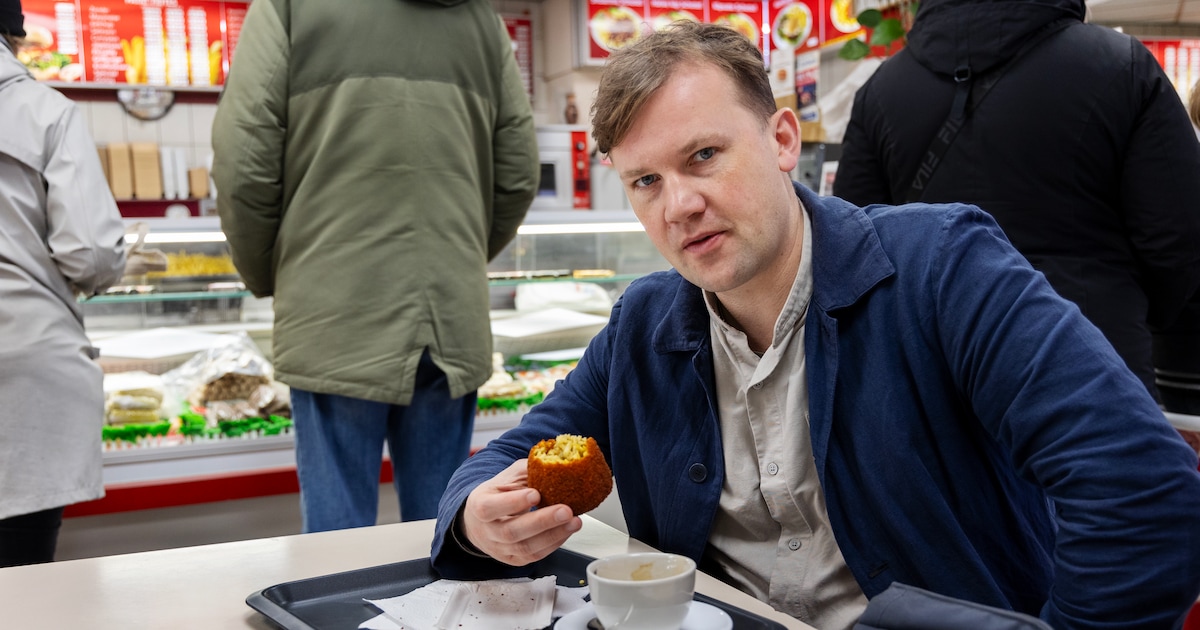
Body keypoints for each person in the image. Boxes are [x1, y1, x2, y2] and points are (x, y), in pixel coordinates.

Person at [430, 21, 1200, 630]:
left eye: (704, 156)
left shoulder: (940, 268)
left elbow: (1145, 489)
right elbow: (503, 457)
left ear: (783, 142)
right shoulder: (644, 324)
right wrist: (476, 519)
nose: (679, 205)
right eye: (646, 181)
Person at [211, 0, 538, 532]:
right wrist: (454, 258)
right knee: (447, 532)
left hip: (330, 310)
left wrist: (272, 271)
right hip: (449, 319)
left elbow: (243, 159)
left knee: (337, 545)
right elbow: (519, 172)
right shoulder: (481, 20)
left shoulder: (290, 7)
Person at [833, 0, 1200, 406]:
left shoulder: (881, 92)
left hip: (936, 380)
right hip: (1094, 367)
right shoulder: (1123, 66)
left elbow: (852, 251)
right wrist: (1127, 311)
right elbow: (1181, 237)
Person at [1, 0, 128, 566]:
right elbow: (91, 255)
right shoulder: (41, 110)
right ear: (14, 36)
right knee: (19, 584)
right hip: (25, 380)